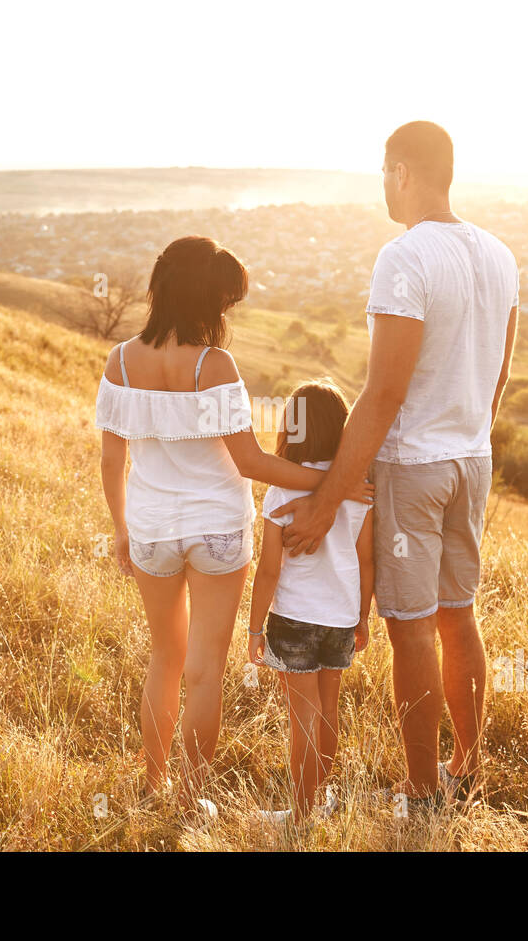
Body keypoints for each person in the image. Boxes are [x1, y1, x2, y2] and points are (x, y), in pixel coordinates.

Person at [270, 121, 520, 809]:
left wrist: (326, 504)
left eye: (385, 171)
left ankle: (420, 794)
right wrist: (469, 434)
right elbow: (500, 373)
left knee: (411, 631)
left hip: (415, 465)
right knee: (458, 617)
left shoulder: (404, 257)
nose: (382, 183)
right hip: (472, 458)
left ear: (404, 172)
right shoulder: (500, 254)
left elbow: (383, 393)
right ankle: (466, 769)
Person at [95, 236, 372, 811]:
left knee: (163, 658)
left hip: (150, 528)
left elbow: (111, 458)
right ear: (205, 298)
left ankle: (153, 787)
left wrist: (121, 528)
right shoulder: (212, 365)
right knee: (205, 671)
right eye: (222, 303)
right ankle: (192, 797)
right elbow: (250, 462)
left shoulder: (120, 361)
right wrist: (335, 483)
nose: (224, 315)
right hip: (218, 529)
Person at [247, 381, 374, 822]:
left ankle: (299, 815)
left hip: (294, 618)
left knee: (303, 716)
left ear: (292, 428)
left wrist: (253, 629)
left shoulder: (282, 489)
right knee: (328, 711)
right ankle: (317, 802)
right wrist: (362, 616)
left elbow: (267, 570)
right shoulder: (357, 492)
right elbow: (367, 561)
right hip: (340, 618)